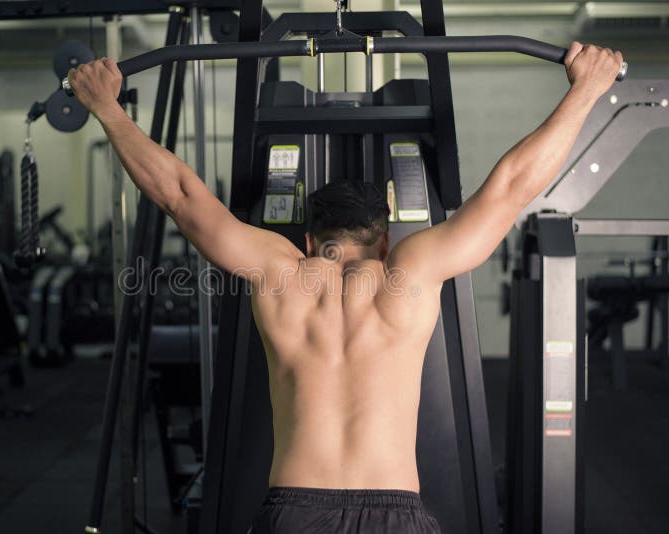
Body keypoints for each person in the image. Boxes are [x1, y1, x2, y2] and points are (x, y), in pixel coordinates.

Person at [68, 40, 623, 534]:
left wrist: (106, 107)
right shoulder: (413, 270)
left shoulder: (280, 272)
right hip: (397, 512)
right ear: (384, 240)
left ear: (309, 242)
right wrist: (589, 89)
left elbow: (180, 196)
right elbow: (510, 188)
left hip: (294, 510)